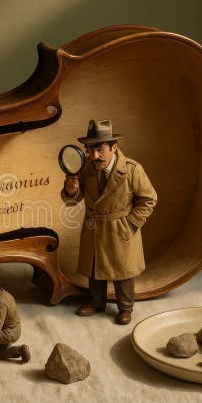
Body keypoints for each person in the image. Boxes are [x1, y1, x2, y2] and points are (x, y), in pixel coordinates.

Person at [62, 119, 157, 325]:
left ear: (114, 147)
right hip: (94, 227)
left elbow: (149, 199)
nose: (95, 156)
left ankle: (125, 308)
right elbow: (72, 201)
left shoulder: (132, 170)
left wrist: (131, 223)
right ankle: (96, 303)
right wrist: (71, 190)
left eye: (100, 149)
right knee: (95, 268)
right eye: (89, 150)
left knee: (123, 270)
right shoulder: (86, 169)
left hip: (120, 229)